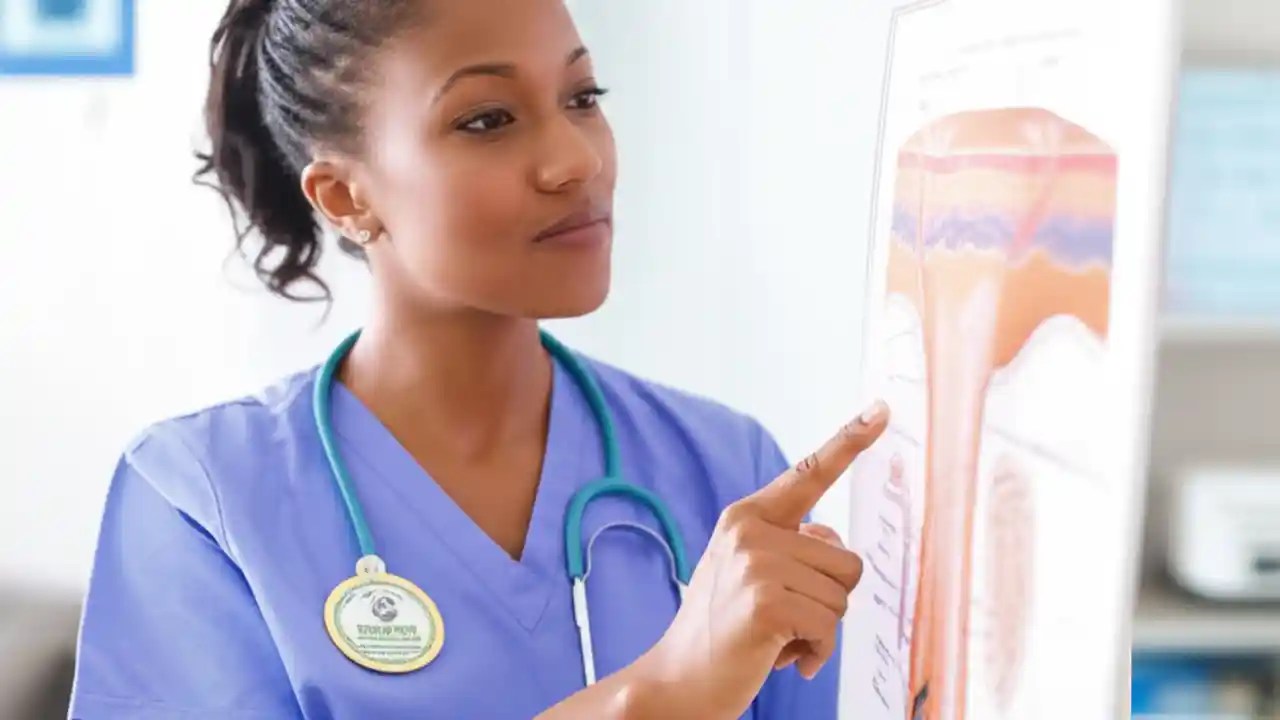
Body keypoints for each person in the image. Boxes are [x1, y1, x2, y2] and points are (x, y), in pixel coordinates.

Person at [68, 0, 889, 717]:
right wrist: (660, 699)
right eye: (487, 119)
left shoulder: (726, 469)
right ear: (345, 197)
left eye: (583, 98)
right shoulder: (201, 501)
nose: (578, 159)